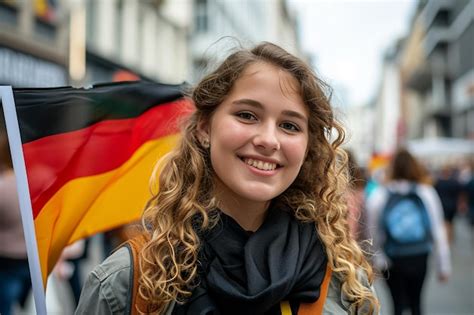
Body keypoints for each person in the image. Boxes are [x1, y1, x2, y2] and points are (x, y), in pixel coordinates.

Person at [75, 42, 379, 314]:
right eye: (247, 115)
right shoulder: (131, 281)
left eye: (289, 126)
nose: (269, 140)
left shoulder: (345, 281)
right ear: (205, 128)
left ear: (308, 146)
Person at [366, 148, 451, 315]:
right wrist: (444, 265)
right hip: (419, 254)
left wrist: (375, 259)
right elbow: (437, 230)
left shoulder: (380, 194)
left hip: (392, 257)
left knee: (397, 305)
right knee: (416, 303)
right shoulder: (426, 192)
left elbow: (373, 231)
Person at [0, 129, 31, 315]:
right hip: (28, 255)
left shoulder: (3, 186)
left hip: (6, 257)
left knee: (6, 303)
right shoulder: (30, 182)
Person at [434, 165, 462, 243]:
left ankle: (447, 239)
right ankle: (450, 237)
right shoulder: (454, 182)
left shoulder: (438, 182)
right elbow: (460, 194)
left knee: (446, 222)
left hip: (443, 204)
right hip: (453, 205)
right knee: (451, 222)